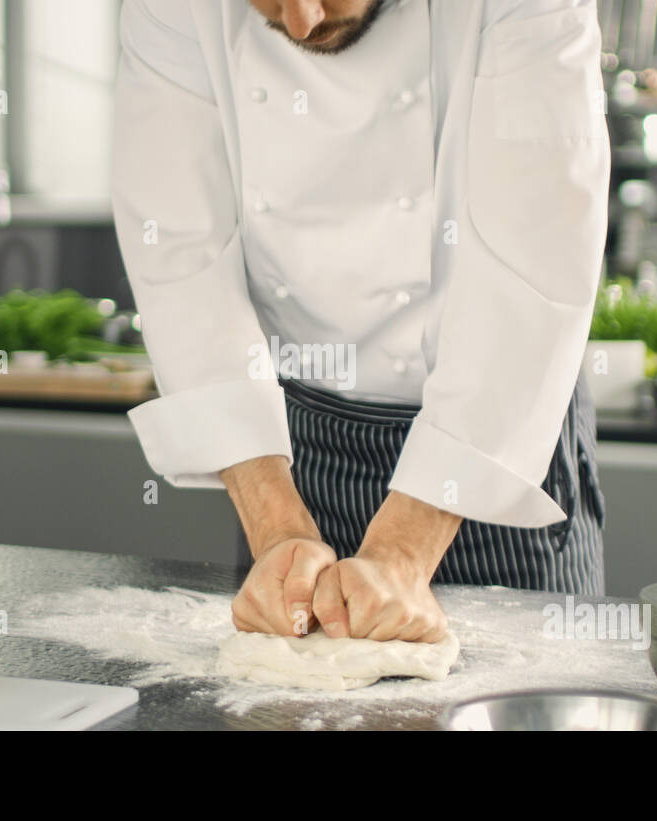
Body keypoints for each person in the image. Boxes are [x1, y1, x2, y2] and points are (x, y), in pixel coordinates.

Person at [111, 0, 610, 644]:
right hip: (292, 448)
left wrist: (403, 553)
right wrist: (277, 530)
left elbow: (535, 258)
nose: (300, 20)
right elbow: (179, 255)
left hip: (497, 439)